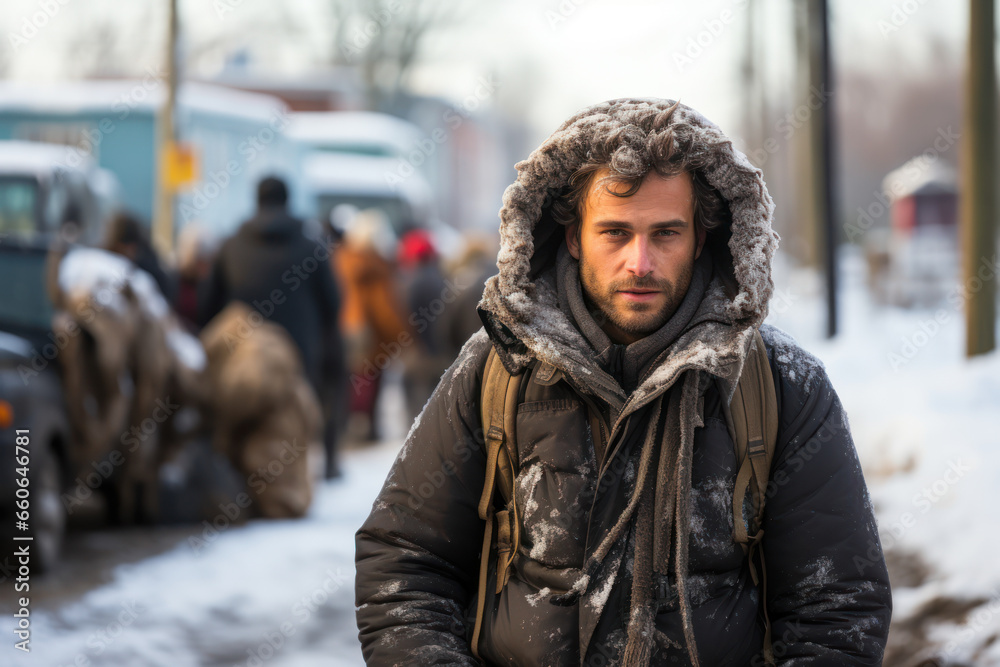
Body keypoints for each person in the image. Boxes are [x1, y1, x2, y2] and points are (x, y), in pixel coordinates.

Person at [355, 99, 892, 665]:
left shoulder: (782, 385)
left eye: (666, 233)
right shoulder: (496, 368)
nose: (640, 262)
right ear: (571, 236)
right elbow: (405, 564)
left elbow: (837, 608)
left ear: (703, 236)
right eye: (615, 232)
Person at [199, 176, 343, 472]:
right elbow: (333, 303)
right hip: (298, 354)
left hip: (242, 355)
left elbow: (208, 306)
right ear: (287, 200)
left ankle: (241, 484)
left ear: (257, 199)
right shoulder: (311, 247)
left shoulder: (231, 245)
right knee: (290, 426)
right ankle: (287, 488)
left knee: (244, 421)